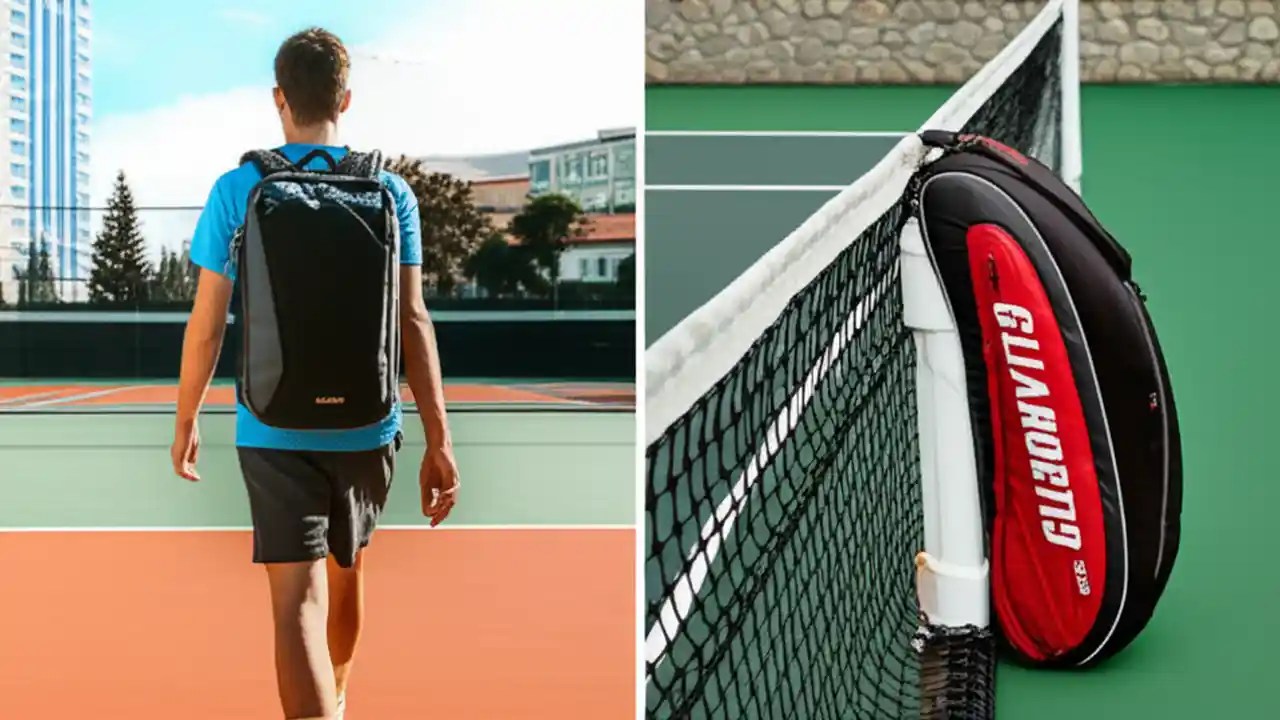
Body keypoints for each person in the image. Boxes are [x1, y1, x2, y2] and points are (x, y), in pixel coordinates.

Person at [170, 27, 461, 720]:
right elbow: (413, 320)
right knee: (347, 573)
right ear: (345, 99)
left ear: (280, 98)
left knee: (296, 602)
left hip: (271, 427)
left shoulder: (238, 188)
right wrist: (440, 439)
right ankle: (340, 696)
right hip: (368, 426)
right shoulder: (390, 191)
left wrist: (186, 420)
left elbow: (207, 323)